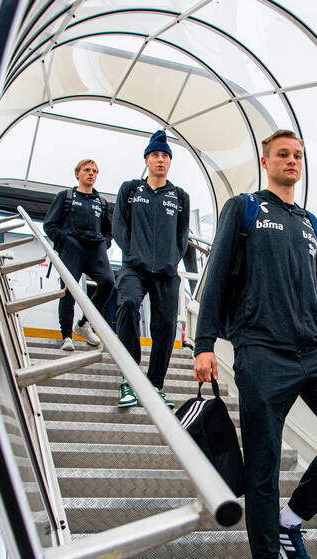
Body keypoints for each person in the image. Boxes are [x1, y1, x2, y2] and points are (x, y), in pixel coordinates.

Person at [193, 130, 317, 559]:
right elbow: (217, 273)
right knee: (263, 468)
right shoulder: (245, 208)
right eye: (283, 154)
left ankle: (293, 521)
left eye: (297, 156)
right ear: (265, 160)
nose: (291, 161)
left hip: (316, 349)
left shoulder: (311, 223)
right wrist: (205, 344)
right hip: (263, 352)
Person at [113, 130, 190, 408]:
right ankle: (130, 379)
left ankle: (155, 384)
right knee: (129, 304)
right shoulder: (131, 189)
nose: (160, 160)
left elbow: (183, 235)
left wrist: (173, 259)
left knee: (166, 326)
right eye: (155, 155)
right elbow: (119, 226)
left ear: (170, 163)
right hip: (134, 267)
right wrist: (132, 254)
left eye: (165, 156)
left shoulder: (179, 196)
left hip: (167, 272)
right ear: (147, 159)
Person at [42, 159, 115, 351]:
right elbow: (49, 225)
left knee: (108, 282)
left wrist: (105, 242)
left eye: (94, 171)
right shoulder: (66, 196)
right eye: (87, 170)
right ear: (78, 174)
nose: (91, 173)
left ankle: (84, 324)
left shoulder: (101, 202)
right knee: (69, 288)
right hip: (72, 247)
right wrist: (65, 240)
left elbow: (109, 230)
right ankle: (66, 335)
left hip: (95, 248)